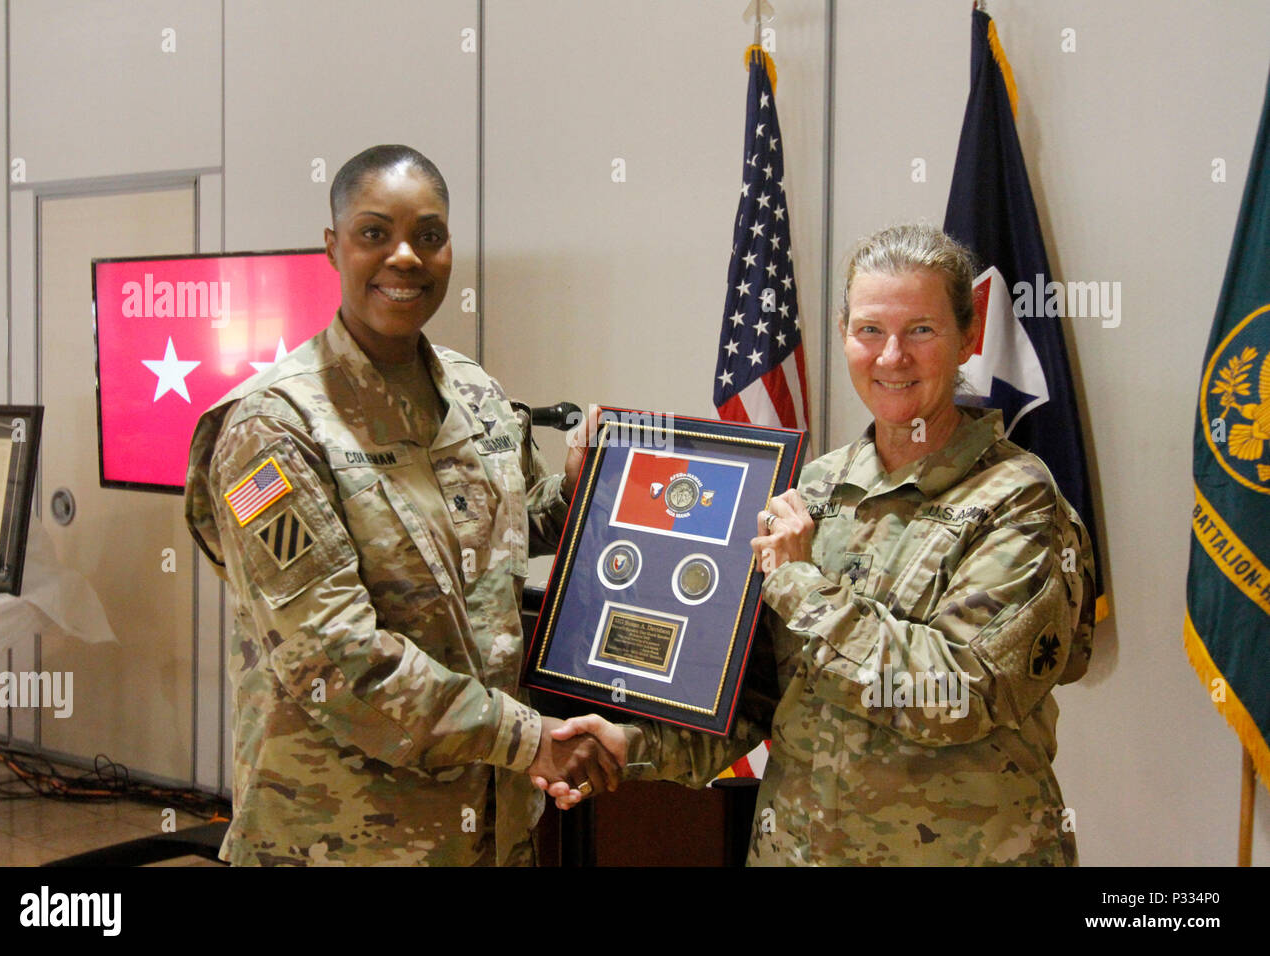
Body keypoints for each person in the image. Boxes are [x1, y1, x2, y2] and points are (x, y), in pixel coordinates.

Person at [545, 223, 1097, 866]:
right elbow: (753, 699)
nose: (892, 357)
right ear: (843, 336)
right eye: (869, 330)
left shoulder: (1019, 500)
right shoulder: (813, 489)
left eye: (921, 329)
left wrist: (800, 586)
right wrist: (628, 745)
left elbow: (960, 695)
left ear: (968, 338)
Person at [184, 144, 618, 866]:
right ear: (334, 247)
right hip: (343, 838)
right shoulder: (273, 427)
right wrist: (531, 739)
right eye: (375, 233)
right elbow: (335, 656)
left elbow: (507, 533)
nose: (405, 257)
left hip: (493, 824)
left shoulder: (475, 392)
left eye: (429, 235)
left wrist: (584, 489)